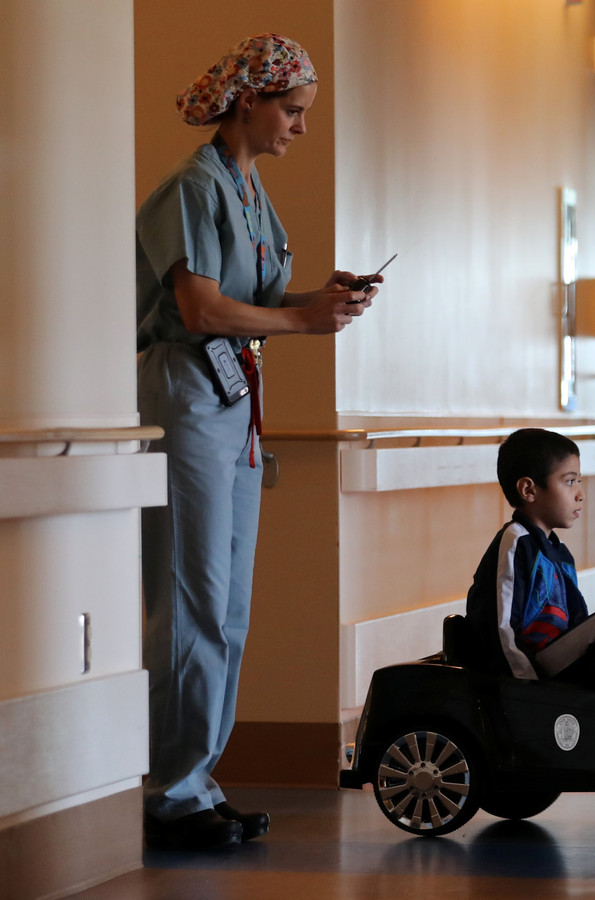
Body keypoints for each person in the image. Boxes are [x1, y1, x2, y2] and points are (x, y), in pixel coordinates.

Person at [136, 33, 384, 852]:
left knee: (229, 605)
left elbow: (260, 300)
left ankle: (197, 778)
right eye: (293, 111)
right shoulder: (192, 188)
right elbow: (202, 309)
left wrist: (327, 299)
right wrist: (301, 320)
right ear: (250, 101)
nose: (300, 129)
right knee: (193, 600)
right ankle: (167, 793)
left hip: (231, 400)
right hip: (187, 394)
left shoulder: (250, 192)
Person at [466, 429, 595, 687]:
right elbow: (503, 629)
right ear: (528, 490)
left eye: (579, 481)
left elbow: (578, 623)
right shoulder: (516, 541)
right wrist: (526, 691)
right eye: (570, 481)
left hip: (553, 660)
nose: (581, 494)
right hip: (527, 674)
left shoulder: (560, 552)